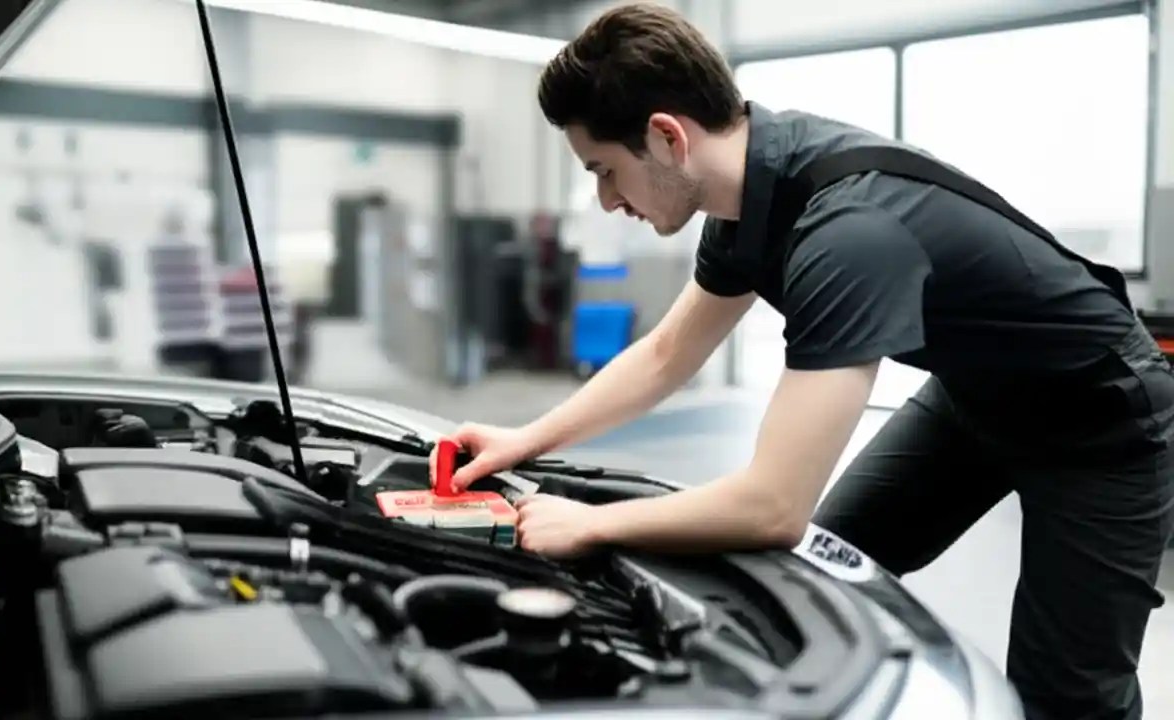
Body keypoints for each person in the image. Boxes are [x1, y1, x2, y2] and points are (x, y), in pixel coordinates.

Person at [431, 4, 1174, 718]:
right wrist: (523, 440)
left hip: (1100, 425)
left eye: (604, 170)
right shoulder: (746, 199)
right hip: (975, 397)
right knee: (824, 572)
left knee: (1067, 702)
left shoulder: (848, 232)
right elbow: (664, 356)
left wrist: (594, 524)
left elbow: (772, 507)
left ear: (666, 137)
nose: (604, 201)